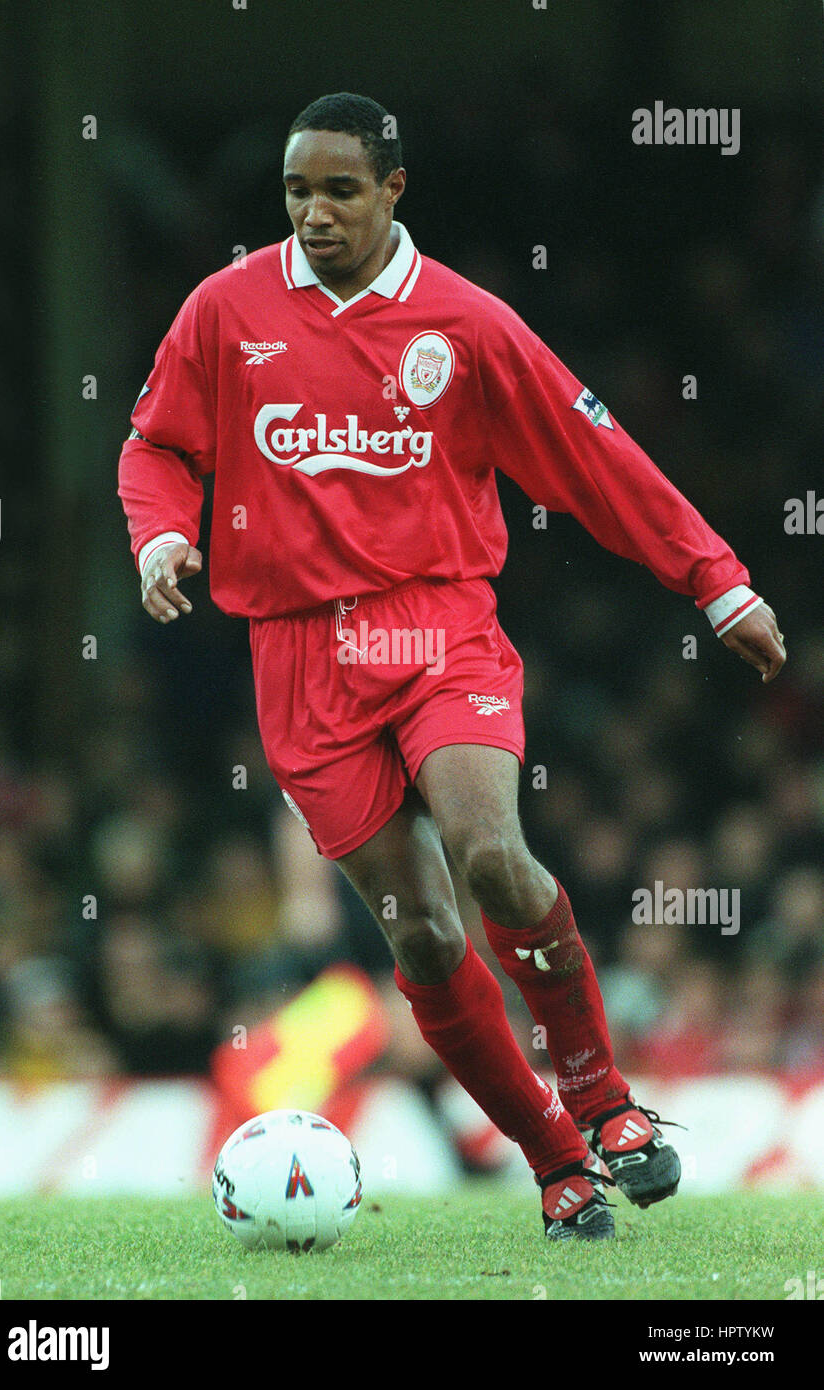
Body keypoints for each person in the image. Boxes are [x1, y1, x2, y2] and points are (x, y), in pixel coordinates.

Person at [118, 93, 786, 1240]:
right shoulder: (225, 314)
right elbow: (157, 446)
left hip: (436, 632)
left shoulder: (465, 326)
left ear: (392, 190)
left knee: (489, 853)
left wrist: (713, 577)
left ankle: (603, 1099)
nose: (313, 214)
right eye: (294, 192)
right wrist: (162, 532)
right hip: (296, 655)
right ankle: (553, 1162)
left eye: (338, 190)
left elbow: (592, 455)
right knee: (421, 935)